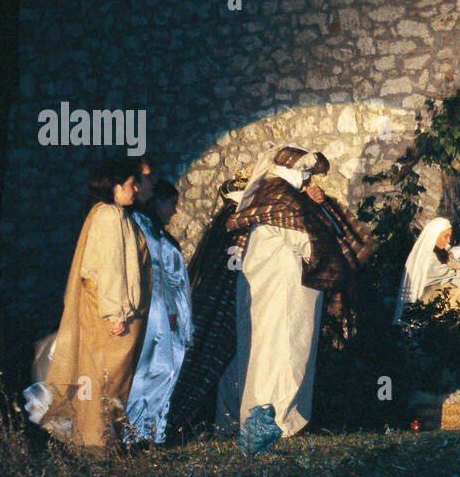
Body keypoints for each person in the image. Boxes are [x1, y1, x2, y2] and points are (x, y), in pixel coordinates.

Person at [216, 146, 371, 438]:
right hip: (282, 291)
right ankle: (276, 423)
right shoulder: (282, 197)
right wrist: (332, 261)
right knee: (283, 354)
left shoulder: (274, 195)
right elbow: (311, 241)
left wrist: (317, 205)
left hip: (277, 291)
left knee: (267, 353)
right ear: (287, 169)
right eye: (305, 171)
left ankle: (262, 422)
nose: (308, 177)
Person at [37, 159, 151, 449]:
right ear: (114, 186)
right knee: (104, 381)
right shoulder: (109, 216)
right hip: (112, 316)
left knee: (105, 382)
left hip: (117, 313)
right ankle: (95, 445)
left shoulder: (113, 214)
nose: (136, 188)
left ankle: (100, 442)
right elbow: (110, 267)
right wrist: (116, 313)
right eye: (130, 183)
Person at [166, 172, 248, 433]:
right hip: (223, 305)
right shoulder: (236, 222)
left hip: (219, 302)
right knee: (213, 357)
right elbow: (228, 268)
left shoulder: (230, 219)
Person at [125, 180, 193, 443]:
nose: (174, 212)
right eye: (171, 205)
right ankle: (138, 433)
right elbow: (158, 275)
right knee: (154, 372)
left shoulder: (159, 235)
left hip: (166, 312)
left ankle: (149, 432)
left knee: (163, 373)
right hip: (157, 314)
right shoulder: (147, 232)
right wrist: (169, 311)